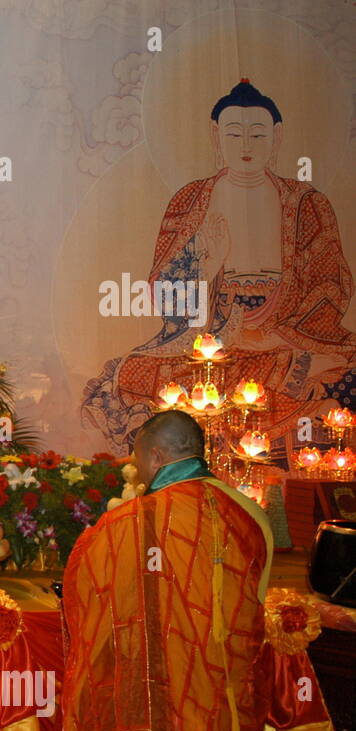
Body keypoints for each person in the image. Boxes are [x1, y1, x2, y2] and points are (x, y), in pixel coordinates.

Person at [25, 410, 308, 731]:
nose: (135, 468)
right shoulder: (250, 512)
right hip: (224, 689)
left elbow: (86, 598)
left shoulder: (125, 524)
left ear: (156, 455)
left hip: (154, 683)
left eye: (136, 457)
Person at [83, 79, 354, 453]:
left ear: (276, 138)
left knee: (341, 369)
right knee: (131, 372)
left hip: (288, 338)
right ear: (216, 136)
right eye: (234, 134)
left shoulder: (307, 202)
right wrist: (207, 264)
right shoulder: (191, 200)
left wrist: (278, 331)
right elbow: (165, 295)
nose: (245, 146)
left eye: (257, 135)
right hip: (211, 337)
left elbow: (331, 286)